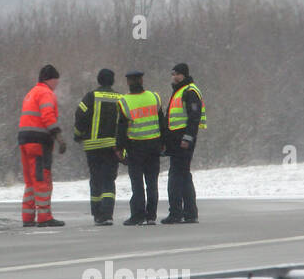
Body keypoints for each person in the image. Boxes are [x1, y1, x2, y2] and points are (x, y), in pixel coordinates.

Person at [17, 64, 67, 227]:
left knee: (31, 181)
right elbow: (48, 116)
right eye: (56, 81)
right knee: (42, 179)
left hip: (24, 140)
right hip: (39, 142)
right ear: (50, 79)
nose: (57, 85)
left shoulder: (31, 93)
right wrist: (59, 137)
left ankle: (28, 217)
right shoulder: (46, 93)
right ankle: (45, 217)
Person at [73, 68, 123, 225]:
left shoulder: (91, 96)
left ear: (98, 80)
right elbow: (124, 122)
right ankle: (107, 214)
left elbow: (80, 115)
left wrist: (78, 134)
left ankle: (97, 214)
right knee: (109, 180)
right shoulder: (120, 98)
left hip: (93, 146)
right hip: (112, 147)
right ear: (112, 81)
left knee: (95, 179)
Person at [116, 70, 167, 225]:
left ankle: (138, 215)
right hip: (154, 145)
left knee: (137, 183)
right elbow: (161, 121)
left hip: (135, 146)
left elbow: (122, 129)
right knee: (152, 182)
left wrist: (119, 148)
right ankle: (151, 215)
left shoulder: (124, 102)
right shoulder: (154, 97)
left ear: (128, 82)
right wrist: (164, 141)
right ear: (142, 80)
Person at [161, 62, 206, 224]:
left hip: (183, 138)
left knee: (175, 175)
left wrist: (187, 138)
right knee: (184, 175)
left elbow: (194, 117)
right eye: (173, 74)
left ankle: (176, 213)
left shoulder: (189, 91)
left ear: (185, 75)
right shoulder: (180, 91)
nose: (174, 77)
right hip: (176, 139)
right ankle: (190, 213)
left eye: (177, 74)